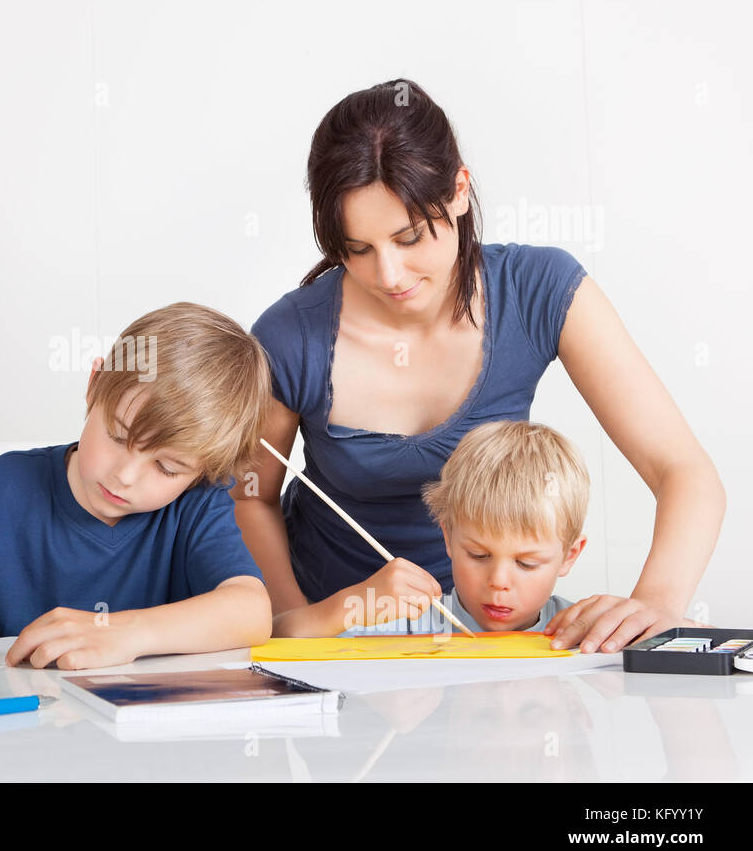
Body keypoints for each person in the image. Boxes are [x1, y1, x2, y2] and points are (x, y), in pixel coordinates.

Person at [234, 79, 724, 653]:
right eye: (358, 249)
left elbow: (684, 471)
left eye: (410, 236)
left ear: (460, 190)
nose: (388, 275)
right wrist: (300, 623)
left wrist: (658, 603)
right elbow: (250, 495)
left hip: (491, 635)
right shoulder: (290, 334)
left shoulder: (540, 290)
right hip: (347, 643)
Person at [0, 303, 274, 669]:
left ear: (203, 471)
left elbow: (251, 611)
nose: (126, 475)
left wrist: (125, 633)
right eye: (118, 437)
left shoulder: (197, 503)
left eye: (167, 468)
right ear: (94, 385)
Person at [302, 420, 586, 637]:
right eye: (478, 555)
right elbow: (282, 635)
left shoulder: (582, 629)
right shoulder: (408, 621)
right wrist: (349, 604)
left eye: (527, 563)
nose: (498, 581)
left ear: (570, 556)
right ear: (448, 537)